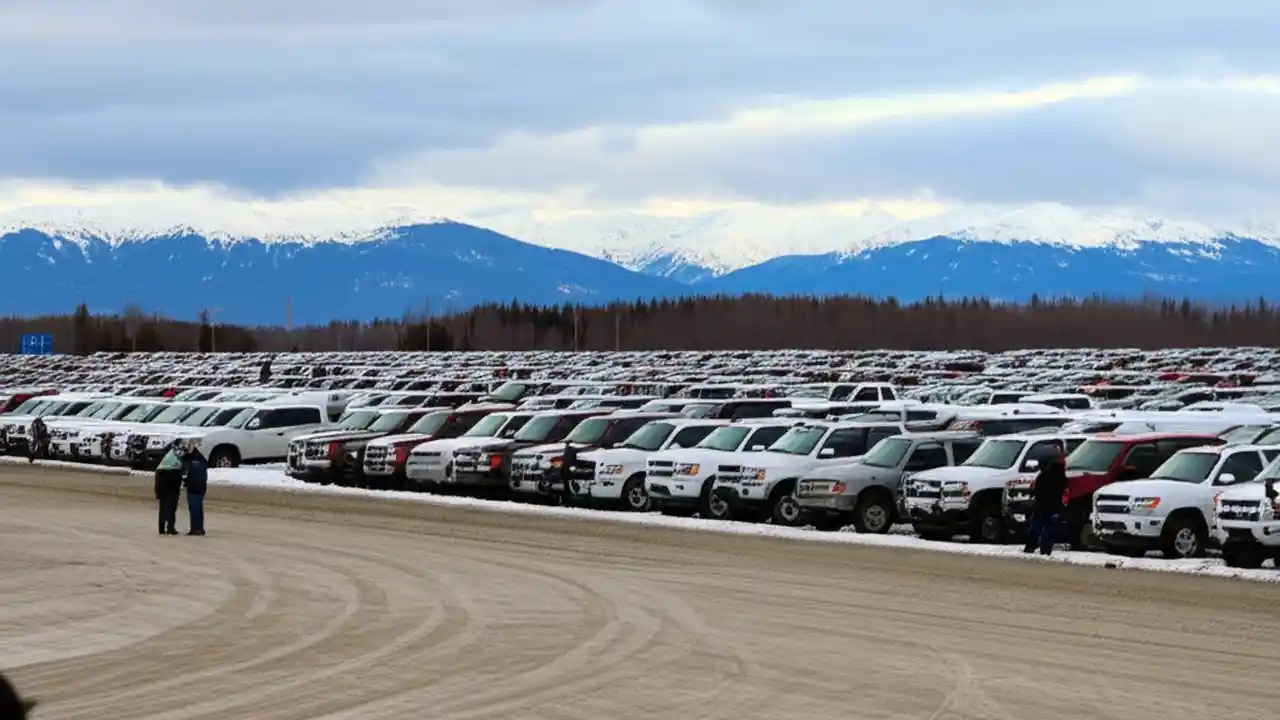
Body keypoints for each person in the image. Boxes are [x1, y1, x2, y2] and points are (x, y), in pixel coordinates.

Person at [1024, 447, 1068, 556]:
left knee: (1036, 527)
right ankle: (1045, 549)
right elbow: (1064, 493)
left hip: (1040, 506)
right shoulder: (1062, 479)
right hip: (1054, 507)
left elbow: (1034, 489)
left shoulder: (1043, 476)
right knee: (1050, 529)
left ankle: (1030, 546)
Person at [154, 442, 185, 535]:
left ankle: (162, 528)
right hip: (171, 490)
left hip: (164, 490)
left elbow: (158, 481)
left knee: (163, 509)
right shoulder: (175, 465)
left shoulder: (163, 464)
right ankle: (170, 527)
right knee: (171, 508)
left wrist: (158, 492)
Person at [182, 441, 209, 536]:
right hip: (201, 488)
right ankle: (199, 528)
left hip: (193, 487)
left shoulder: (191, 461)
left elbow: (187, 472)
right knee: (198, 508)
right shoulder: (202, 460)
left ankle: (196, 528)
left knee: (194, 509)